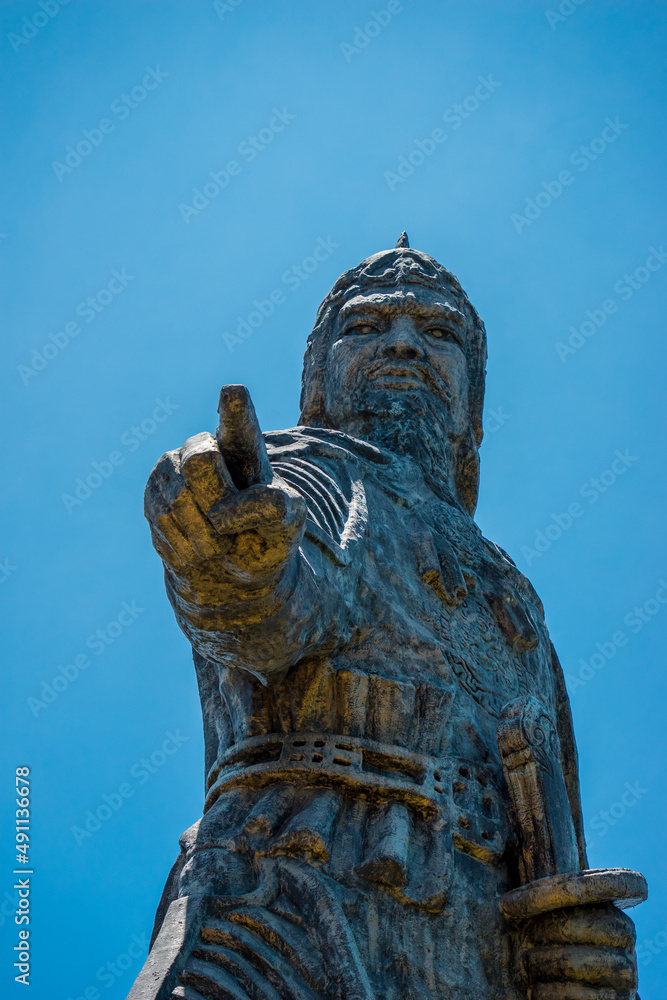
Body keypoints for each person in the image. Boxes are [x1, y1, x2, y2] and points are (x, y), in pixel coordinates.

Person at [134, 237, 639, 999]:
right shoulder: (314, 471)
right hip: (289, 905)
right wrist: (230, 558)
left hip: (476, 960)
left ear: (472, 397)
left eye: (437, 333)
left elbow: (553, 845)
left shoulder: (517, 599)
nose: (401, 341)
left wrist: (578, 950)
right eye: (364, 326)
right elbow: (268, 607)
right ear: (317, 377)